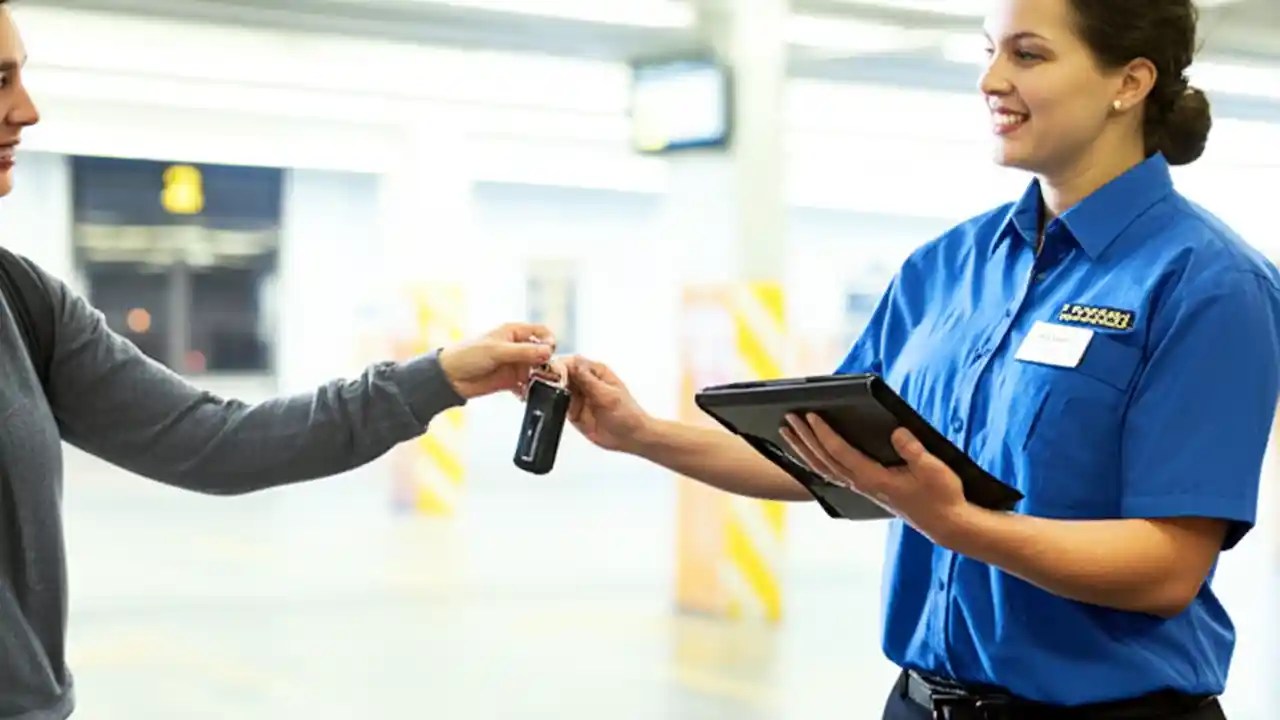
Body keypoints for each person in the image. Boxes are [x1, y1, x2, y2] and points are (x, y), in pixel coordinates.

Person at [564, 0, 1280, 718]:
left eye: (1027, 55)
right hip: (918, 703)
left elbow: (1166, 570)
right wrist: (639, 432)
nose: (990, 79)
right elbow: (824, 455)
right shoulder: (946, 269)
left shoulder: (1209, 284)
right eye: (989, 51)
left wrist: (960, 526)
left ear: (1129, 83)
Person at [0, 3, 560, 719]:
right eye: (0, 79)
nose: (29, 110)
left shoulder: (23, 303)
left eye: (23, 76)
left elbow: (218, 442)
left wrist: (439, 376)